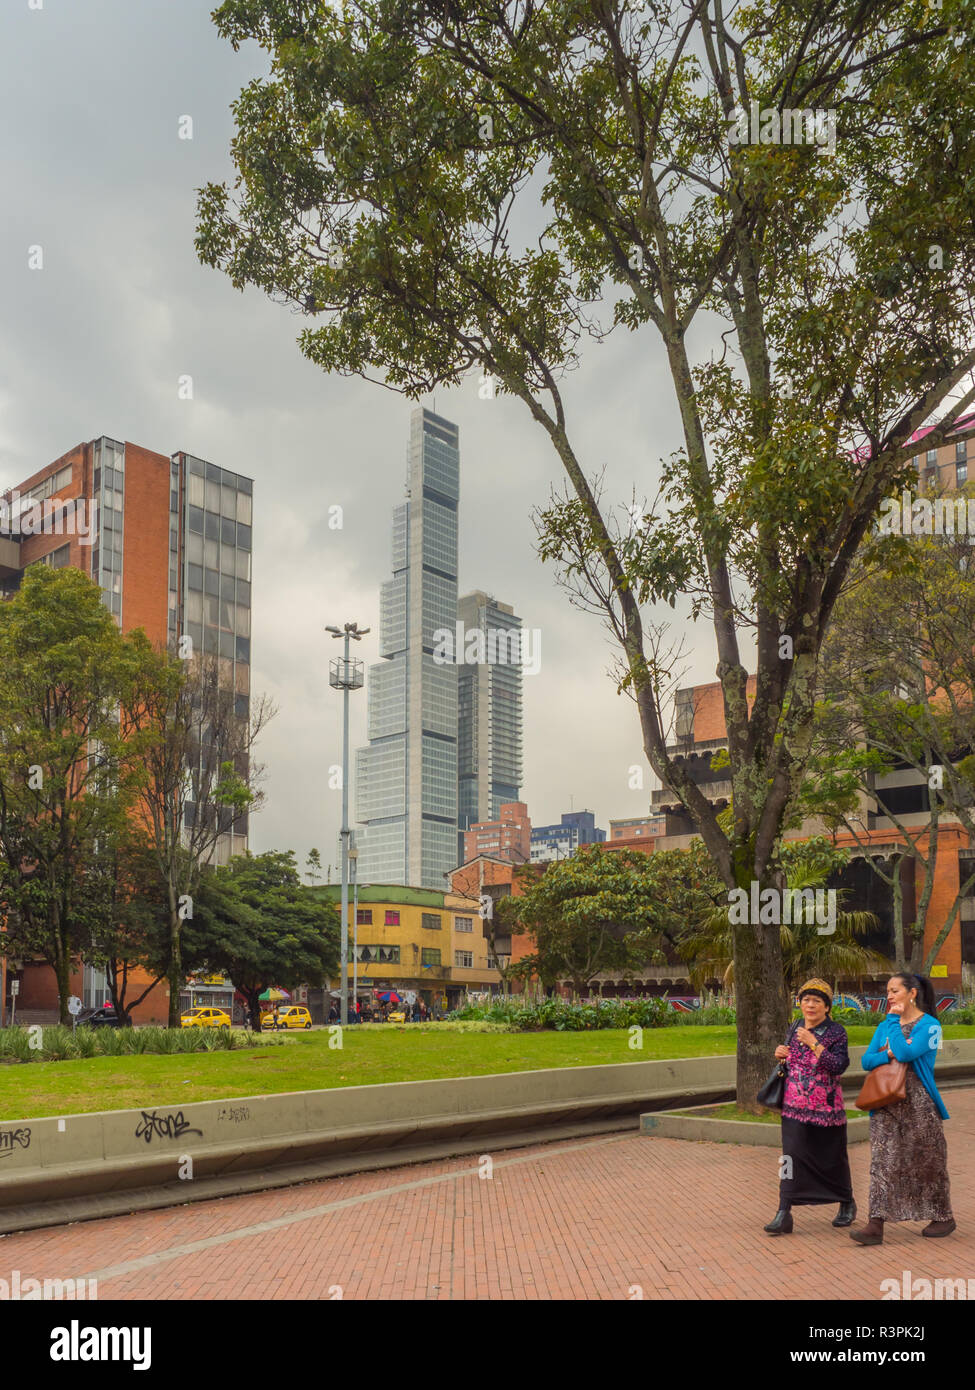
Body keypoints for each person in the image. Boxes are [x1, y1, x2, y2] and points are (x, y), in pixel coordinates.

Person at [851, 973, 955, 1245]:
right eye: (887, 991)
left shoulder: (931, 1026)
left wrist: (894, 1029)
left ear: (912, 993)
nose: (889, 996)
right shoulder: (886, 1024)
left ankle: (943, 1216)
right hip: (886, 1102)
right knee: (882, 1162)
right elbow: (866, 1060)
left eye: (894, 990)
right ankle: (875, 1225)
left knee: (928, 1162)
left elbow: (908, 1054)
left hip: (919, 1105)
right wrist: (887, 1052)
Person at [765, 978, 855, 1235]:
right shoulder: (795, 1026)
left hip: (827, 1109)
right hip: (793, 1106)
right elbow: (791, 1062)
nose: (810, 1005)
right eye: (806, 1000)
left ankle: (846, 1201)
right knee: (790, 1157)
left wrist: (814, 1044)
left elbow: (838, 1066)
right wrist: (781, 1054)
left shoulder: (836, 1032)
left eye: (817, 1001)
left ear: (827, 1007)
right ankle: (784, 1211)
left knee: (833, 1157)